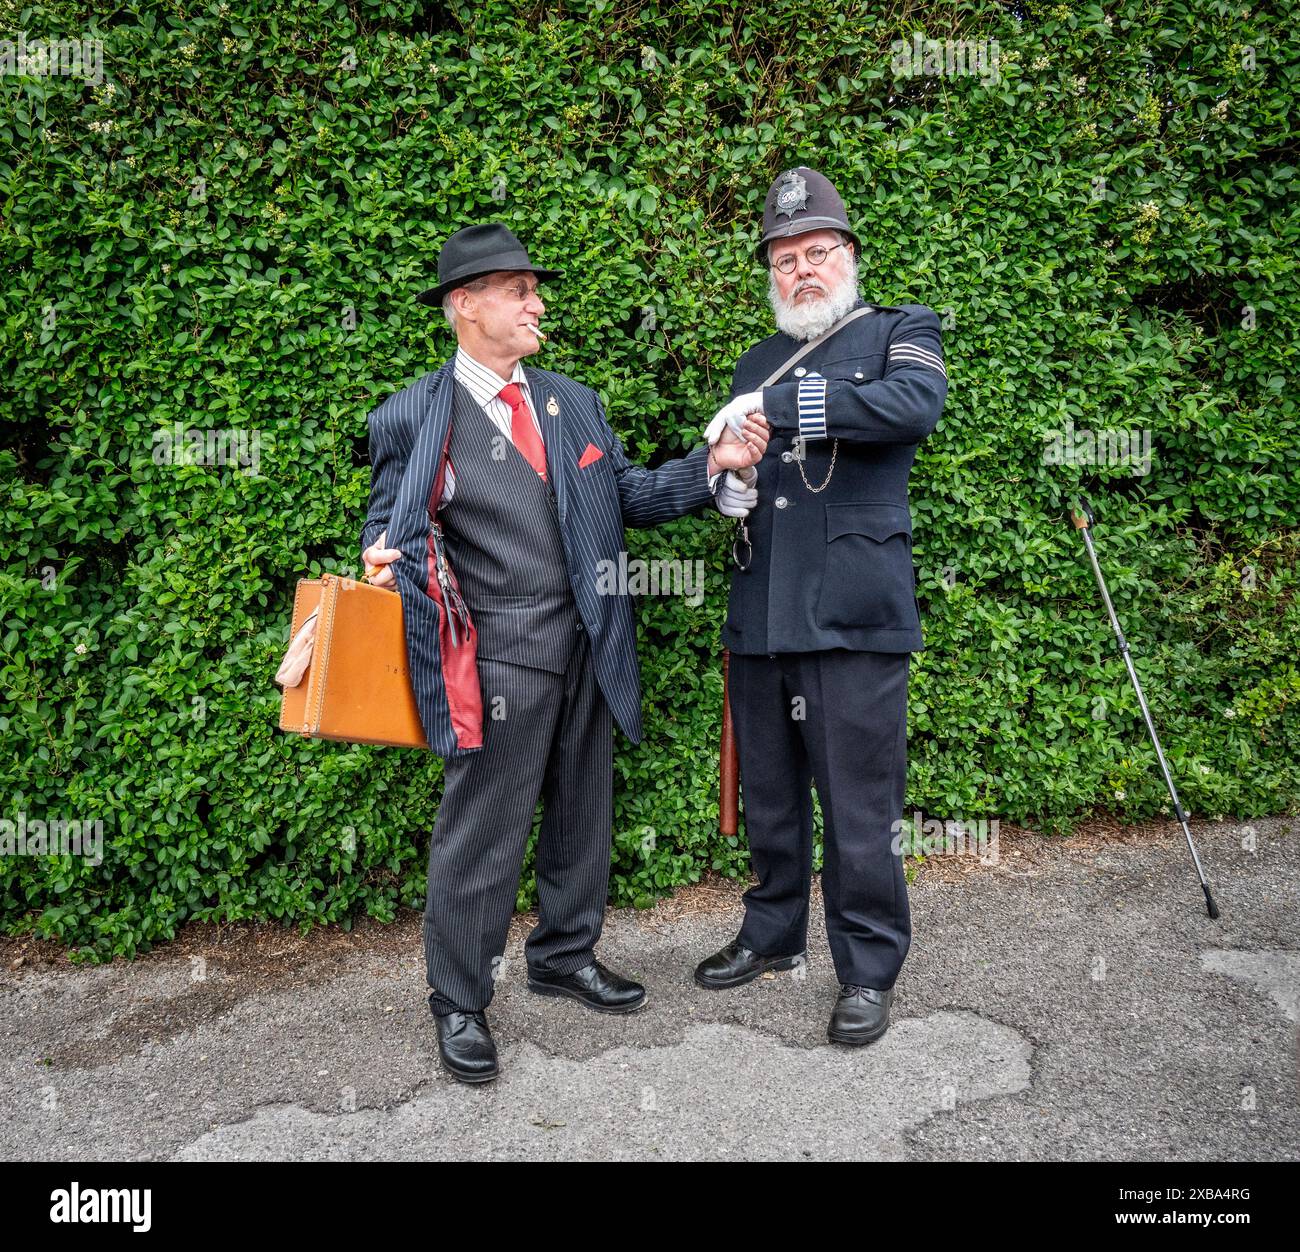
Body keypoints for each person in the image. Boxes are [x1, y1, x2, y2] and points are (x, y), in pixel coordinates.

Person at [360, 222, 768, 1082]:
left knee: (585, 813)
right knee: (483, 834)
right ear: (464, 306)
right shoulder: (410, 414)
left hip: (594, 639)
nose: (537, 303)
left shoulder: (571, 402)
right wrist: (382, 561)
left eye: (534, 290)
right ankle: (460, 1001)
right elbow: (388, 527)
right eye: (518, 291)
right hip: (495, 658)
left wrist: (712, 465)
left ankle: (563, 957)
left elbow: (623, 495)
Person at [695, 167, 949, 1046]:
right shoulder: (755, 356)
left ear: (849, 255)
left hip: (852, 609)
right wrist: (732, 490)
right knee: (769, 795)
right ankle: (771, 937)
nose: (799, 270)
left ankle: (869, 967)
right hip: (764, 605)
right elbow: (752, 468)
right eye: (783, 258)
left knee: (858, 806)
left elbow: (913, 406)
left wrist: (773, 406)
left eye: (815, 252)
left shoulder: (899, 331)